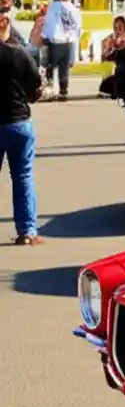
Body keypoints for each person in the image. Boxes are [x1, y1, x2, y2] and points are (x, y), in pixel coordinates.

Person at [0, 13, 45, 245]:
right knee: (23, 176)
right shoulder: (19, 54)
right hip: (18, 122)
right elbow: (35, 91)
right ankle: (27, 230)